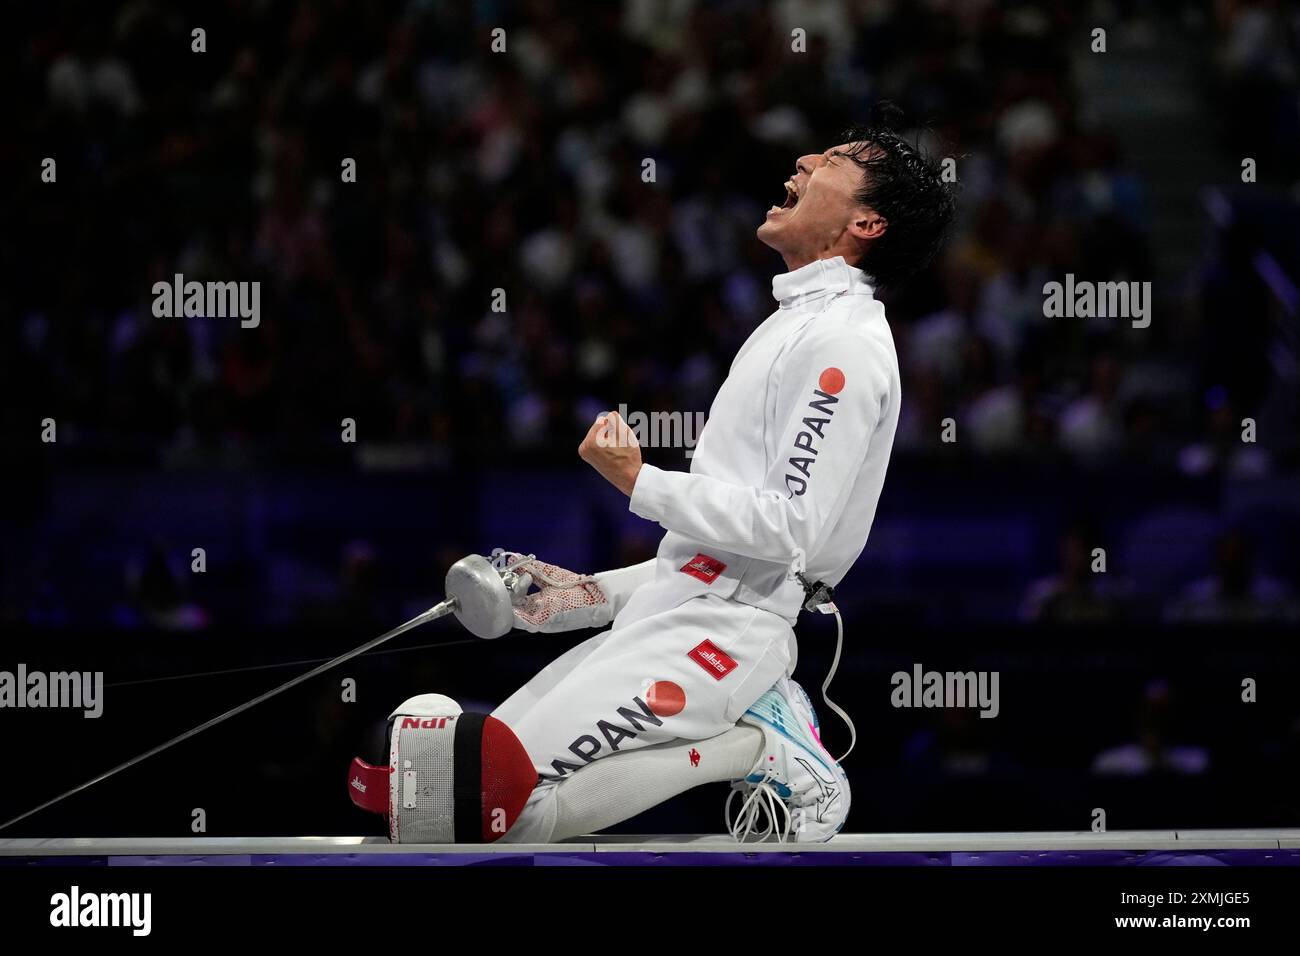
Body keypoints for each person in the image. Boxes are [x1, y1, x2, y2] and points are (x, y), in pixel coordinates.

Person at [491, 124, 956, 843]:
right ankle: (758, 723)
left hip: (722, 634)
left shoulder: (845, 341)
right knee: (474, 786)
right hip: (674, 613)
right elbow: (718, 554)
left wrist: (640, 481)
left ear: (866, 222)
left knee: (506, 808)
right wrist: (592, 595)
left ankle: (762, 744)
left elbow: (787, 529)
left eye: (830, 161)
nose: (803, 161)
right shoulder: (790, 324)